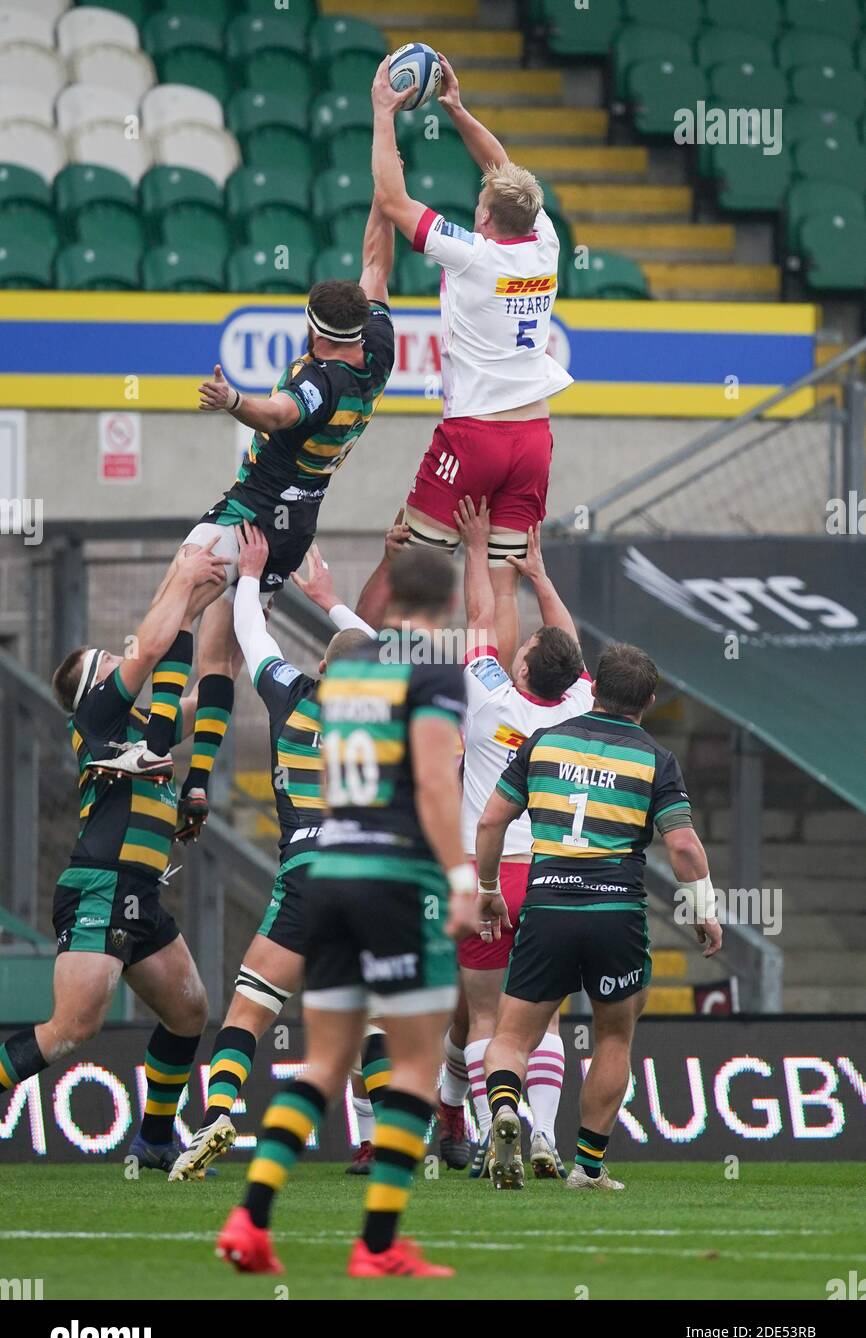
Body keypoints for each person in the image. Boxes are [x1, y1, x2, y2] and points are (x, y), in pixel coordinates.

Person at [93, 197, 396, 848]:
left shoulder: (321, 382)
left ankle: (147, 743)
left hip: (254, 509)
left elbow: (281, 413)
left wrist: (231, 399)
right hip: (297, 524)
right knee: (220, 651)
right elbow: (377, 254)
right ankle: (197, 779)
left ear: (315, 331)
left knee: (174, 598)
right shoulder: (379, 347)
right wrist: (384, 174)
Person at [216, 548, 485, 1279]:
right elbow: (433, 778)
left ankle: (251, 1220)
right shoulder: (432, 673)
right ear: (448, 608)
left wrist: (300, 592)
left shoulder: (346, 678)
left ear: (391, 594)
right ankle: (377, 1244)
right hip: (395, 879)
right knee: (414, 1064)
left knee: (326, 1060)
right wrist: (459, 875)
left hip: (326, 874)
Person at [0, 546, 230, 1171]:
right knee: (73, 1028)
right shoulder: (96, 713)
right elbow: (153, 651)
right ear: (94, 686)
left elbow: (205, 694)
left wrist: (221, 603)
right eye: (109, 662)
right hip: (100, 885)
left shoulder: (138, 727)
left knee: (189, 1012)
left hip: (140, 894)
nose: (121, 661)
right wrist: (181, 578)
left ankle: (154, 1141)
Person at [476, 642, 723, 1191]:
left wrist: (489, 889)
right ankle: (586, 1168)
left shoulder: (541, 744)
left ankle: (503, 1111)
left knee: (513, 1035)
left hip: (547, 907)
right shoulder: (655, 759)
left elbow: (492, 822)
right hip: (616, 913)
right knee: (613, 1037)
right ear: (650, 701)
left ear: (592, 688)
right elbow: (682, 846)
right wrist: (704, 909)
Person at [169, 524, 374, 1180]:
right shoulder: (394, 713)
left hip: (309, 868)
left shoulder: (294, 696)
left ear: (322, 668)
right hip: (371, 875)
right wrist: (333, 602)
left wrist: (252, 577)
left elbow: (254, 642)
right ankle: (386, 1142)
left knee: (251, 1005)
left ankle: (219, 1111)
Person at [370, 50, 573, 665]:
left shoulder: (473, 253)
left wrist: (384, 113)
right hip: (533, 438)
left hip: (473, 436)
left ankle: (373, 687)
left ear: (484, 217)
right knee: (502, 582)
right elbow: (506, 174)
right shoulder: (545, 242)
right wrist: (456, 109)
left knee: (410, 563)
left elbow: (391, 198)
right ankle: (495, 707)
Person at [437, 497, 593, 1180]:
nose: (521, 640)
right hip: (556, 877)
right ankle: (546, 1138)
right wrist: (539, 577)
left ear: (522, 667)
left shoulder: (491, 694)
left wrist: (477, 550)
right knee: (544, 1022)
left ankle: (488, 1123)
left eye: (525, 644)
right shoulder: (578, 705)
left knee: (482, 1017)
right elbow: (570, 648)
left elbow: (477, 621)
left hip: (490, 871)